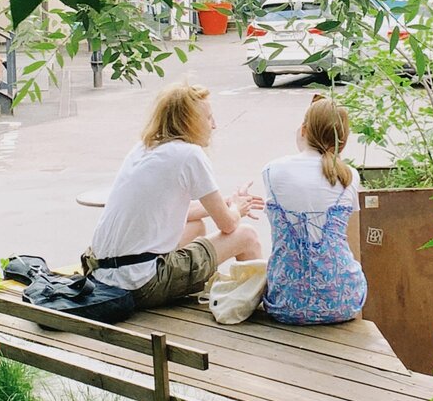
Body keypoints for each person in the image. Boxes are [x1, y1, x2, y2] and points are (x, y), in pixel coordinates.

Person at [86, 84, 263, 310]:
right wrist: (236, 210)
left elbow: (177, 212)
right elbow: (228, 225)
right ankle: (249, 312)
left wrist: (226, 203)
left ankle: (203, 293)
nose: (214, 125)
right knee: (247, 236)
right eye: (208, 118)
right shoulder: (190, 154)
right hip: (140, 284)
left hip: (100, 272)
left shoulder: (143, 147)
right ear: (188, 122)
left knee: (195, 227)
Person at [263, 96, 367, 325]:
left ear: (304, 130)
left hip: (286, 303)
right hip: (344, 302)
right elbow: (353, 244)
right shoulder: (349, 176)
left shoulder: (272, 170)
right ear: (343, 140)